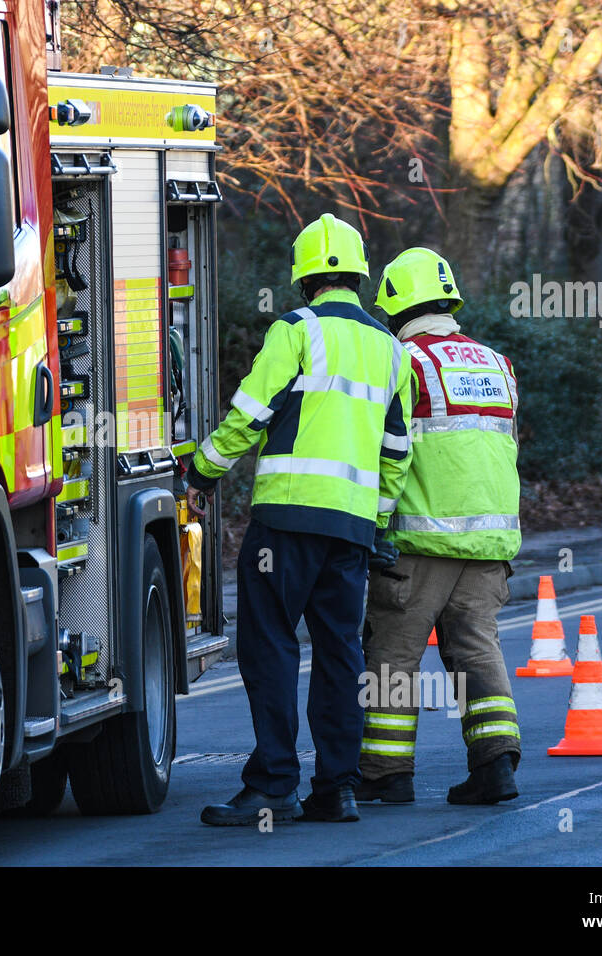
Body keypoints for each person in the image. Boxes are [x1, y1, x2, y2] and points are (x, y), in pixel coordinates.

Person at [188, 214, 413, 825]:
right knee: (340, 654)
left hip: (285, 523)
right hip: (350, 532)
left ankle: (271, 784)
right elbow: (397, 455)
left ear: (304, 276)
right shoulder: (393, 352)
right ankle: (336, 788)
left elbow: (249, 413)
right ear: (361, 276)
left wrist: (205, 470)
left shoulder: (296, 330)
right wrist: (380, 527)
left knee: (270, 648)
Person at [355, 247, 522, 806]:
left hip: (418, 541)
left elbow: (386, 448)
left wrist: (374, 524)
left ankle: (387, 772)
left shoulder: (404, 363)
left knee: (393, 653)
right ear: (448, 299)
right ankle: (495, 764)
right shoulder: (497, 364)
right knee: (476, 648)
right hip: (489, 542)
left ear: (395, 307)